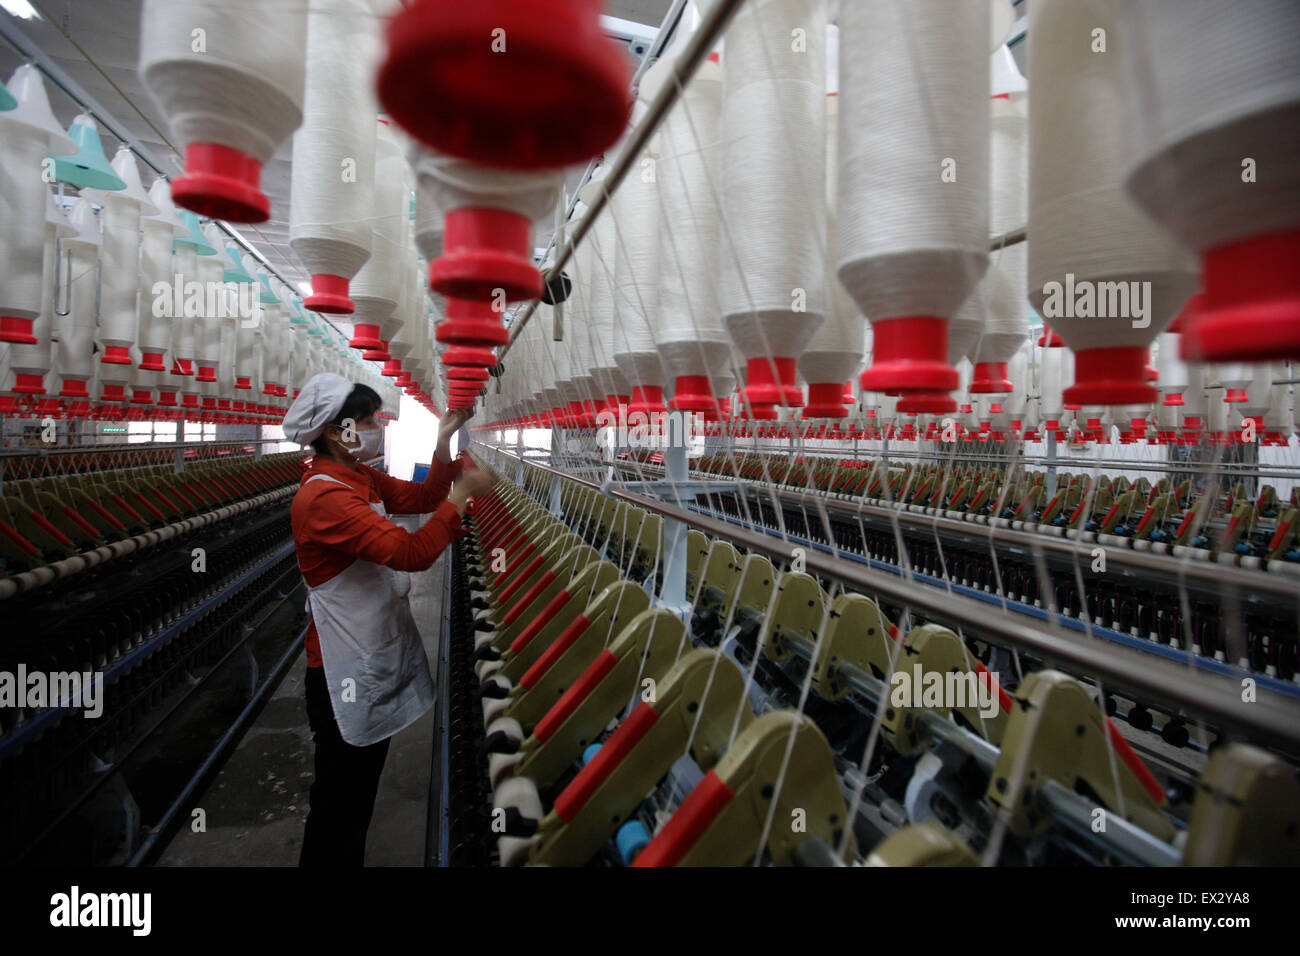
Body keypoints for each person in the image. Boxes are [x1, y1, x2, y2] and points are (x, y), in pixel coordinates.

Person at [281, 373, 494, 867]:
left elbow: (420, 501)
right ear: (337, 431)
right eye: (370, 419)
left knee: (354, 802)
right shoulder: (322, 498)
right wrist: (461, 494)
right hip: (342, 671)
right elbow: (413, 551)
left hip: (366, 652)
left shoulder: (358, 476)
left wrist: (443, 446)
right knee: (339, 807)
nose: (378, 426)